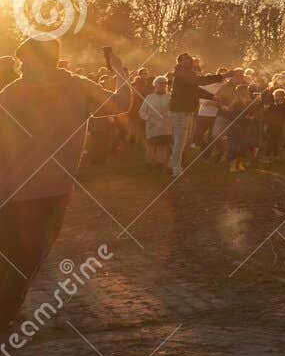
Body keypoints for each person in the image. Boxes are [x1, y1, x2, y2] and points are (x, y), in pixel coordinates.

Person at [0, 38, 131, 333]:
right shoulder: (77, 87)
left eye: (23, 62)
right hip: (51, 189)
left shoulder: (12, 93)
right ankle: (5, 313)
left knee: (10, 252)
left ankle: (7, 309)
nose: (20, 67)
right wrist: (120, 71)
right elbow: (121, 103)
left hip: (10, 188)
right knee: (28, 256)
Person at [165, 55, 229, 177]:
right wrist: (223, 76)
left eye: (190, 59)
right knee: (180, 141)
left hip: (185, 112)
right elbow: (201, 81)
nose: (189, 61)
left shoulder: (187, 74)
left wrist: (212, 96)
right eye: (186, 59)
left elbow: (195, 90)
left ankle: (172, 164)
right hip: (180, 112)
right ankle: (175, 168)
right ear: (180, 62)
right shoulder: (182, 73)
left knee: (181, 140)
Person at [140, 75, 174, 168]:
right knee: (151, 145)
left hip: (166, 126)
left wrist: (170, 119)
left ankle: (160, 163)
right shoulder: (149, 97)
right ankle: (149, 163)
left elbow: (174, 110)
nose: (163, 85)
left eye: (164, 83)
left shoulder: (170, 97)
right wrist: (148, 119)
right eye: (160, 83)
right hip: (152, 125)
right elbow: (142, 112)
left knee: (163, 146)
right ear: (155, 85)